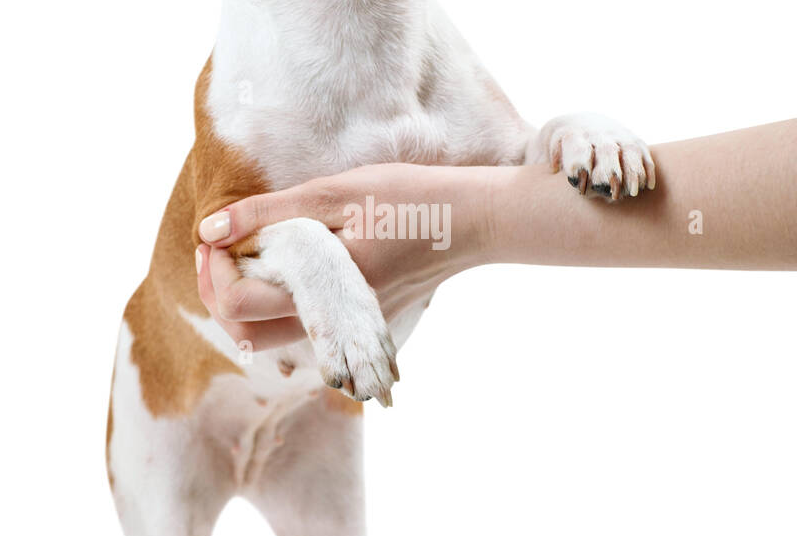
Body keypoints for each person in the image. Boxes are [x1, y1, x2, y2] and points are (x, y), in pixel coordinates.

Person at [195, 121, 797, 350]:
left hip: (325, 410)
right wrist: (310, 258)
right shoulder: (235, 99)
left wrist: (567, 133)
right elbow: (234, 227)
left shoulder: (444, 66)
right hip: (194, 382)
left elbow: (516, 164)